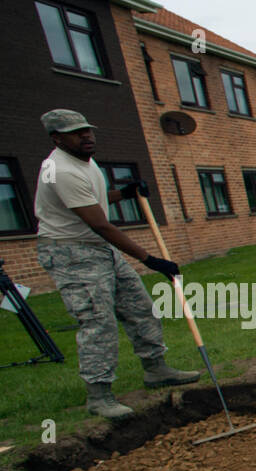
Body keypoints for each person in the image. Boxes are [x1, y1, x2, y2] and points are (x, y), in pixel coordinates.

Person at [34, 109, 197, 420]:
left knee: (139, 306)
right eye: (76, 133)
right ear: (56, 138)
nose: (86, 136)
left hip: (98, 247)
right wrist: (150, 260)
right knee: (97, 321)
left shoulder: (85, 162)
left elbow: (95, 202)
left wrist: (124, 193)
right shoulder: (59, 170)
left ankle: (156, 368)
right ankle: (99, 394)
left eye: (87, 130)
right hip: (72, 253)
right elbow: (99, 223)